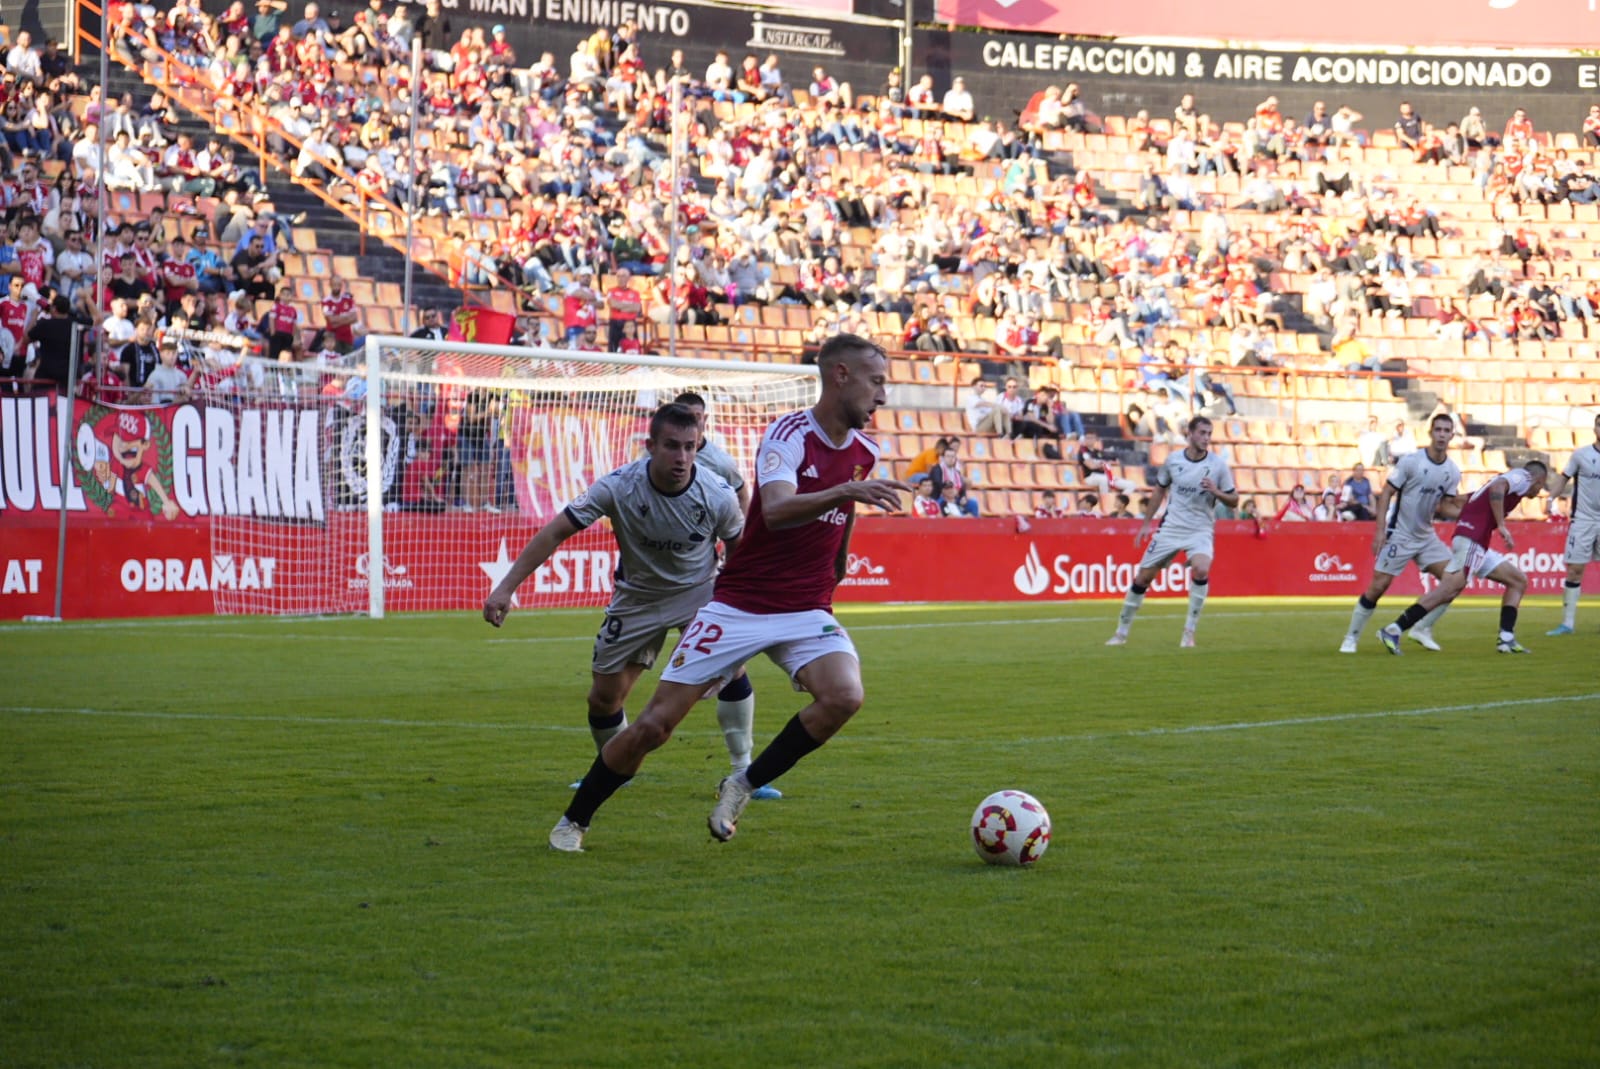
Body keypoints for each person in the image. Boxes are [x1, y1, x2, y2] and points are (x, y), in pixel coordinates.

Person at [547, 333, 909, 852]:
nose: (883, 395)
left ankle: (742, 783)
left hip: (805, 607)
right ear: (841, 376)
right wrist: (847, 491)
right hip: (741, 603)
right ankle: (574, 821)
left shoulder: (865, 450)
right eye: (876, 382)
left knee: (845, 695)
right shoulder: (787, 435)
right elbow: (779, 509)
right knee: (654, 725)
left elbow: (844, 510)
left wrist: (839, 559)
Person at [483, 402, 777, 802]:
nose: (682, 457)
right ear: (650, 445)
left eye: (690, 447)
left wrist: (736, 608)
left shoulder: (717, 493)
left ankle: (744, 772)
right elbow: (555, 532)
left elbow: (742, 551)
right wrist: (505, 587)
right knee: (603, 698)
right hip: (636, 598)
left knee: (732, 668)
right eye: (672, 446)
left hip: (698, 595)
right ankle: (615, 770)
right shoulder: (618, 486)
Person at [1378, 461, 1549, 656]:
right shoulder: (1523, 477)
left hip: (1475, 542)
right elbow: (1498, 486)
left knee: (1517, 580)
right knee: (1448, 589)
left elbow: (1455, 505)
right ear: (1539, 480)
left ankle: (1506, 638)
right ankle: (1395, 629)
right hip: (1472, 540)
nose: (1539, 491)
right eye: (1541, 486)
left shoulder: (1489, 491)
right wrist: (1501, 525)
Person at [1107, 416, 1236, 648]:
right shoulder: (1173, 461)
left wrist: (1216, 491)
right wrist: (1146, 524)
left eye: (1209, 433)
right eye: (1203, 433)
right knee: (1143, 578)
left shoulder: (1218, 466)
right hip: (1171, 527)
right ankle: (1121, 632)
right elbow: (1159, 491)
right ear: (1190, 433)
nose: (1207, 438)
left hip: (1200, 529)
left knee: (1201, 568)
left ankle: (1189, 633)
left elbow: (1234, 500)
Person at [1340, 414, 1462, 654]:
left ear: (1451, 435)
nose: (1441, 434)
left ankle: (1422, 628)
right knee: (1378, 587)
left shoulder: (1452, 471)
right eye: (1437, 429)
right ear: (1430, 433)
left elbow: (1445, 506)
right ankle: (1351, 637)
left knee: (1455, 581)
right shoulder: (1411, 462)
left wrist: (1467, 510)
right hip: (1400, 534)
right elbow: (1386, 493)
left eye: (1446, 430)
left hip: (1426, 537)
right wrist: (1379, 531)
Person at [1544, 411, 1600, 635]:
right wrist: (1550, 498)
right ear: (1594, 429)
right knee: (1575, 569)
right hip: (1583, 520)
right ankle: (1567, 623)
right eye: (1599, 424)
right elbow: (1564, 478)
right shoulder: (1581, 455)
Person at [673, 390, 750, 513]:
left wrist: (743, 531)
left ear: (705, 419)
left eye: (697, 417)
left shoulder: (721, 462)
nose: (692, 423)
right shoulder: (655, 454)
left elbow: (742, 497)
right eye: (685, 417)